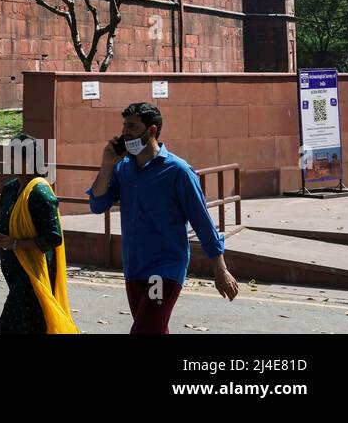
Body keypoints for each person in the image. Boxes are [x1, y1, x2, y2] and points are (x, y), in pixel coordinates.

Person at [88, 102, 238, 334]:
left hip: (165, 268)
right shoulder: (123, 168)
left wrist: (220, 268)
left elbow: (201, 220)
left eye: (132, 127)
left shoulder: (178, 171)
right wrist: (107, 165)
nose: (125, 133)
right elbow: (97, 204)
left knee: (144, 331)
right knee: (154, 329)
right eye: (124, 126)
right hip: (134, 266)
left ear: (152, 130)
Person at [0, 135, 78, 334]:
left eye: (13, 156)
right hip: (14, 274)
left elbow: (54, 237)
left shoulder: (39, 192)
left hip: (34, 274)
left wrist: (15, 244)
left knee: (14, 327)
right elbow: (8, 224)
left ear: (29, 160)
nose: (8, 161)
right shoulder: (11, 188)